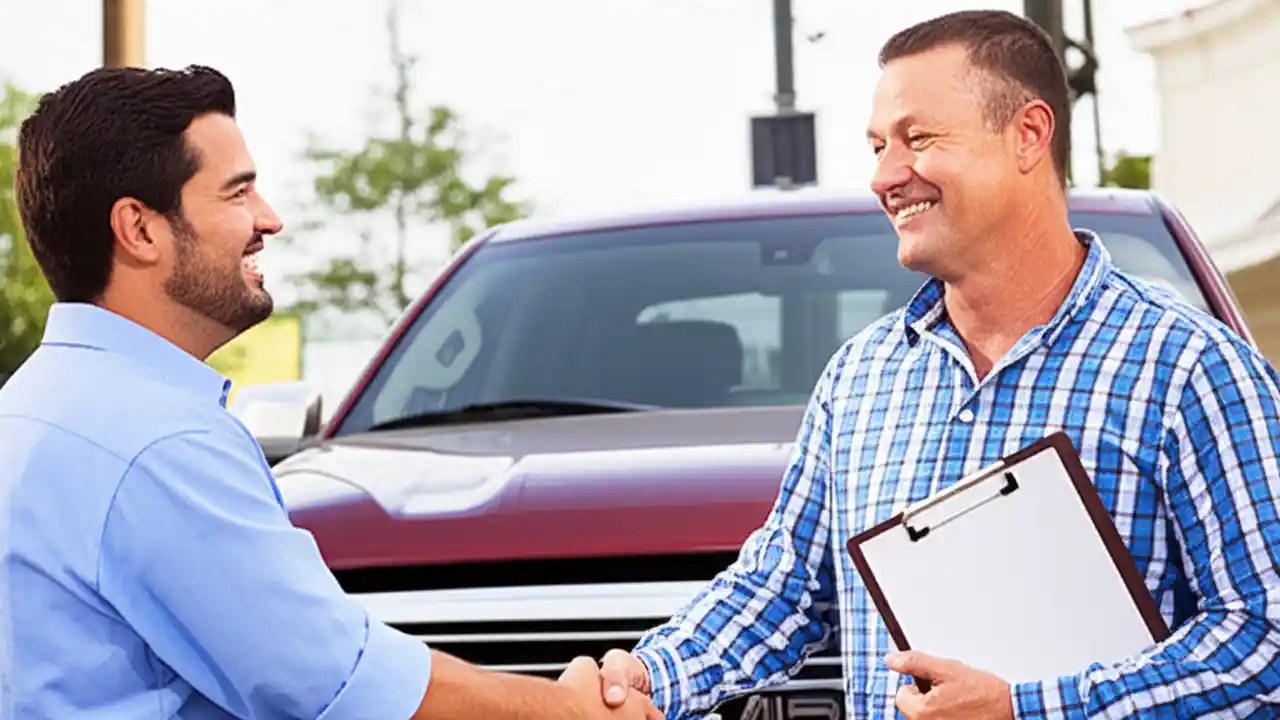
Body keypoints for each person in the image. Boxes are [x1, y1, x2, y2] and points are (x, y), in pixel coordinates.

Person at [595, 9, 1280, 720]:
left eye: (917, 139)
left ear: (1028, 135)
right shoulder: (860, 380)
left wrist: (1030, 709)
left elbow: (1269, 638)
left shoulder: (1192, 368)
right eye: (877, 147)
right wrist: (648, 676)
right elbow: (781, 588)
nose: (885, 176)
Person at [0, 65, 661, 720]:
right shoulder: (159, 440)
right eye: (237, 194)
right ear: (140, 229)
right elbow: (345, 688)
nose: (270, 218)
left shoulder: (29, 410)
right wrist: (569, 710)